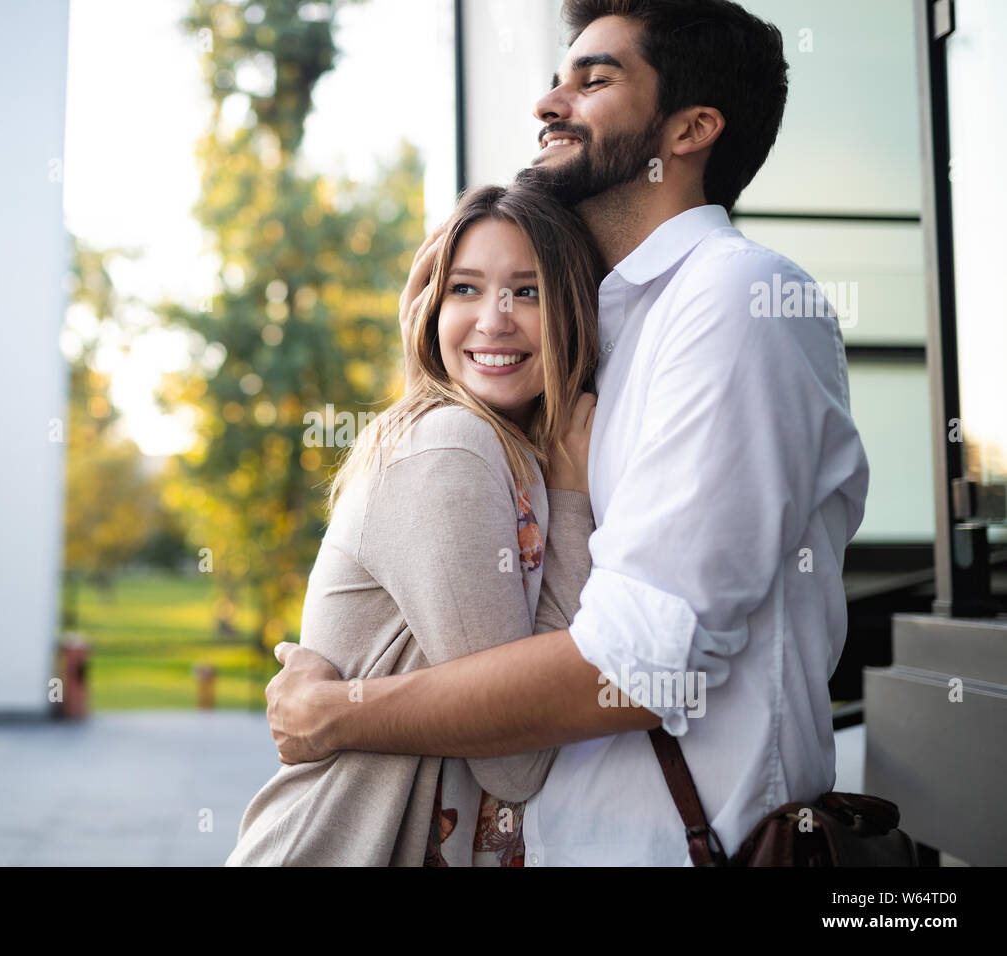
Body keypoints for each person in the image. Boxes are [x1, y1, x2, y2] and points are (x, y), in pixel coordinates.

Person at [266, 0, 870, 866]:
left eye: (596, 79)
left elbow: (638, 661)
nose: (551, 103)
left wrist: (340, 712)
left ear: (692, 128)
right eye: (559, 77)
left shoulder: (736, 302)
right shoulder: (604, 339)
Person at [226, 183, 604, 865]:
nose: (494, 319)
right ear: (430, 309)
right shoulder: (451, 446)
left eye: (528, 291)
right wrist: (573, 502)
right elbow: (516, 757)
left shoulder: (506, 450)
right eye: (464, 289)